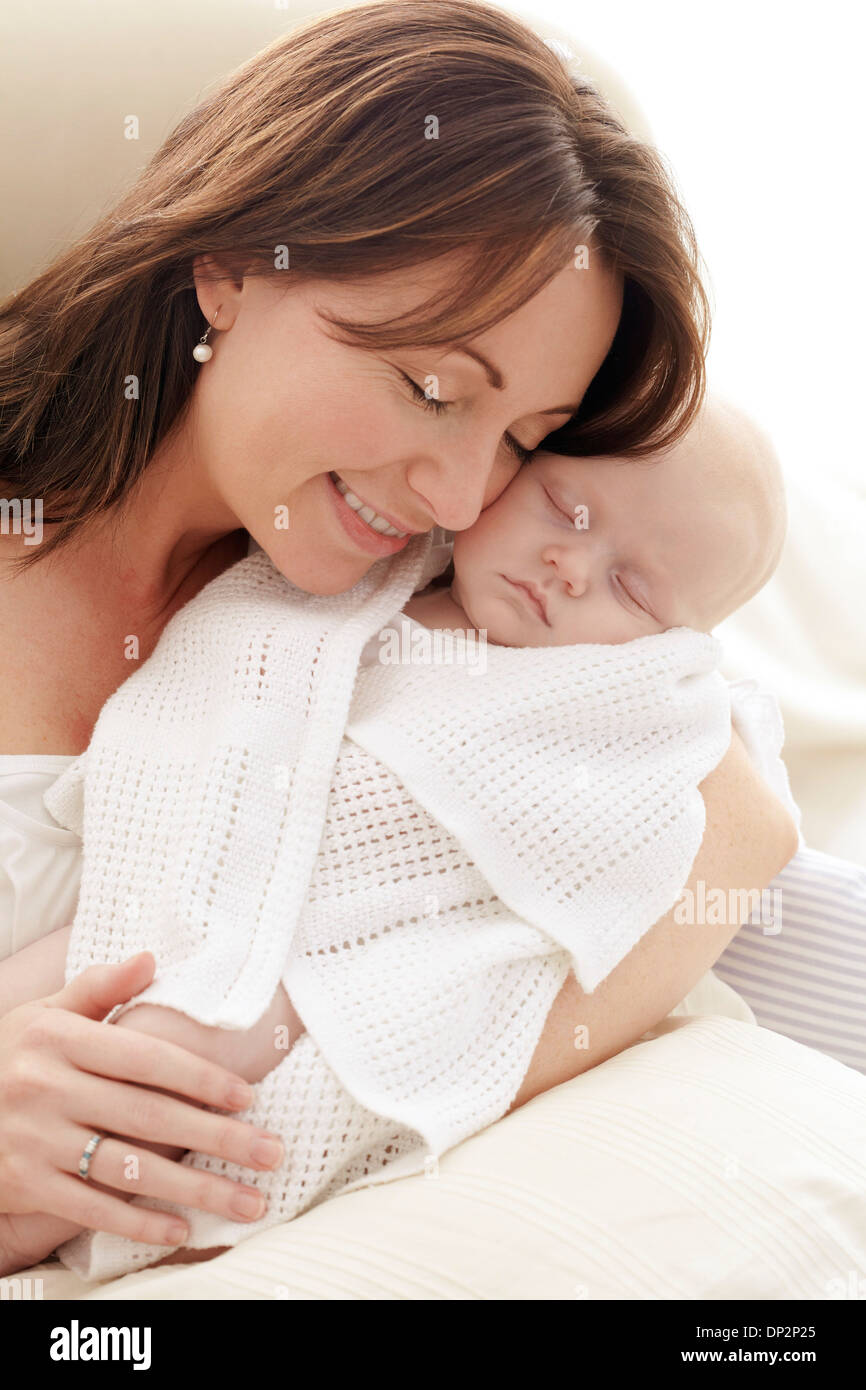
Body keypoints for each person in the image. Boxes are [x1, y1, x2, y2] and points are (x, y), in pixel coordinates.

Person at [0, 0, 796, 1268]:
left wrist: (322, 1099)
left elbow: (741, 822)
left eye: (526, 438)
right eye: (431, 387)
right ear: (232, 265)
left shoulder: (465, 579)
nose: (459, 491)